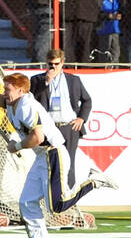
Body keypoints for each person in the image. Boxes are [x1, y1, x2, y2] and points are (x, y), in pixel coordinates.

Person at [0, 71, 117, 238]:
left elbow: (38, 137)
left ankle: (93, 181)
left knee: (57, 206)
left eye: (8, 90)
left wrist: (16, 146)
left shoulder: (26, 105)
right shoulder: (12, 103)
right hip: (41, 156)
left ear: (21, 90)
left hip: (53, 153)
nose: (5, 93)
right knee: (27, 201)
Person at [30, 49, 92, 187]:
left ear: (62, 62)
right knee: (48, 164)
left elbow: (87, 100)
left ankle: (68, 198)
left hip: (69, 127)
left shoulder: (73, 80)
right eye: (50, 64)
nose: (53, 67)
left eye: (56, 64)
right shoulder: (37, 80)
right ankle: (49, 197)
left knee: (69, 163)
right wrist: (45, 83)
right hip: (48, 129)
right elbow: (31, 102)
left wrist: (81, 118)